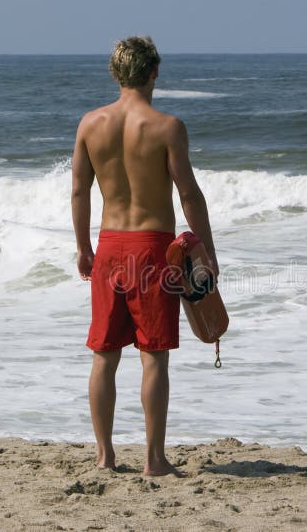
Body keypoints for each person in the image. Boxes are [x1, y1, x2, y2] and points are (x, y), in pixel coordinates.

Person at [71, 36, 218, 476]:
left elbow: (79, 191)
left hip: (111, 249)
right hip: (154, 250)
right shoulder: (167, 127)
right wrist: (206, 250)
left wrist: (84, 248)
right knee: (153, 356)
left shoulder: (90, 124)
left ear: (115, 74)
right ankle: (154, 460)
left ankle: (104, 457)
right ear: (155, 72)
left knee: (104, 355)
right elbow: (189, 194)